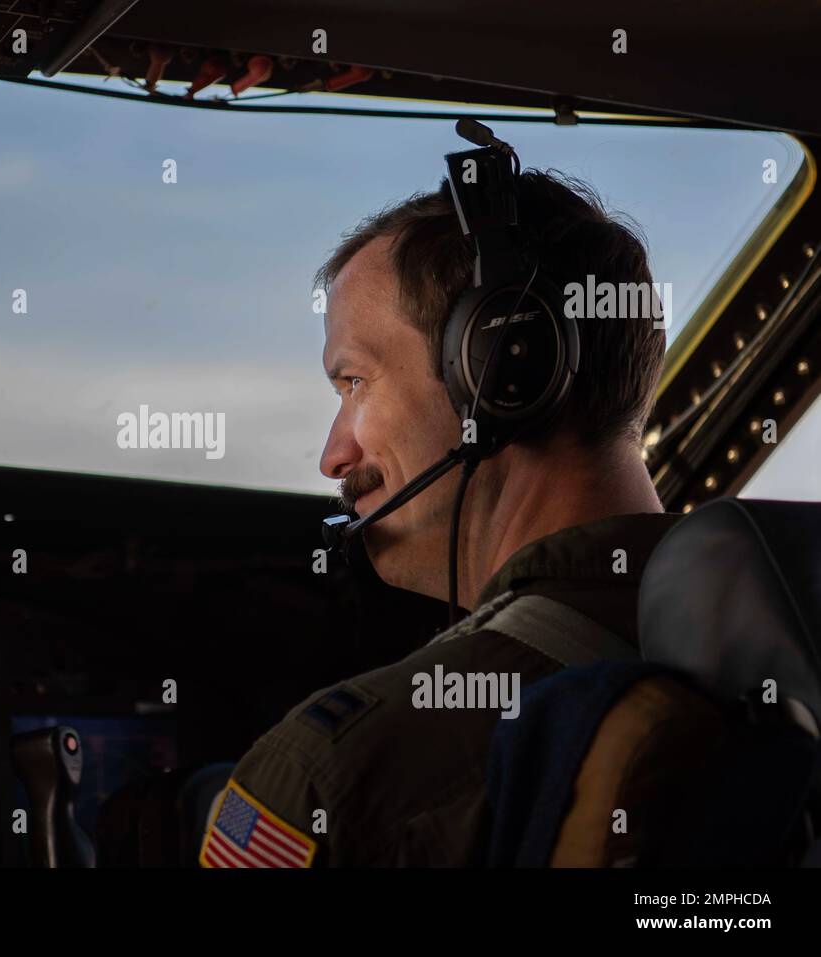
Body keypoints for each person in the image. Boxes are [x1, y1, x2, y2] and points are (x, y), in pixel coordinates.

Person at [199, 167, 679, 868]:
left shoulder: (332, 775)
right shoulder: (781, 649)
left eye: (355, 381)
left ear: (499, 371)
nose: (334, 456)